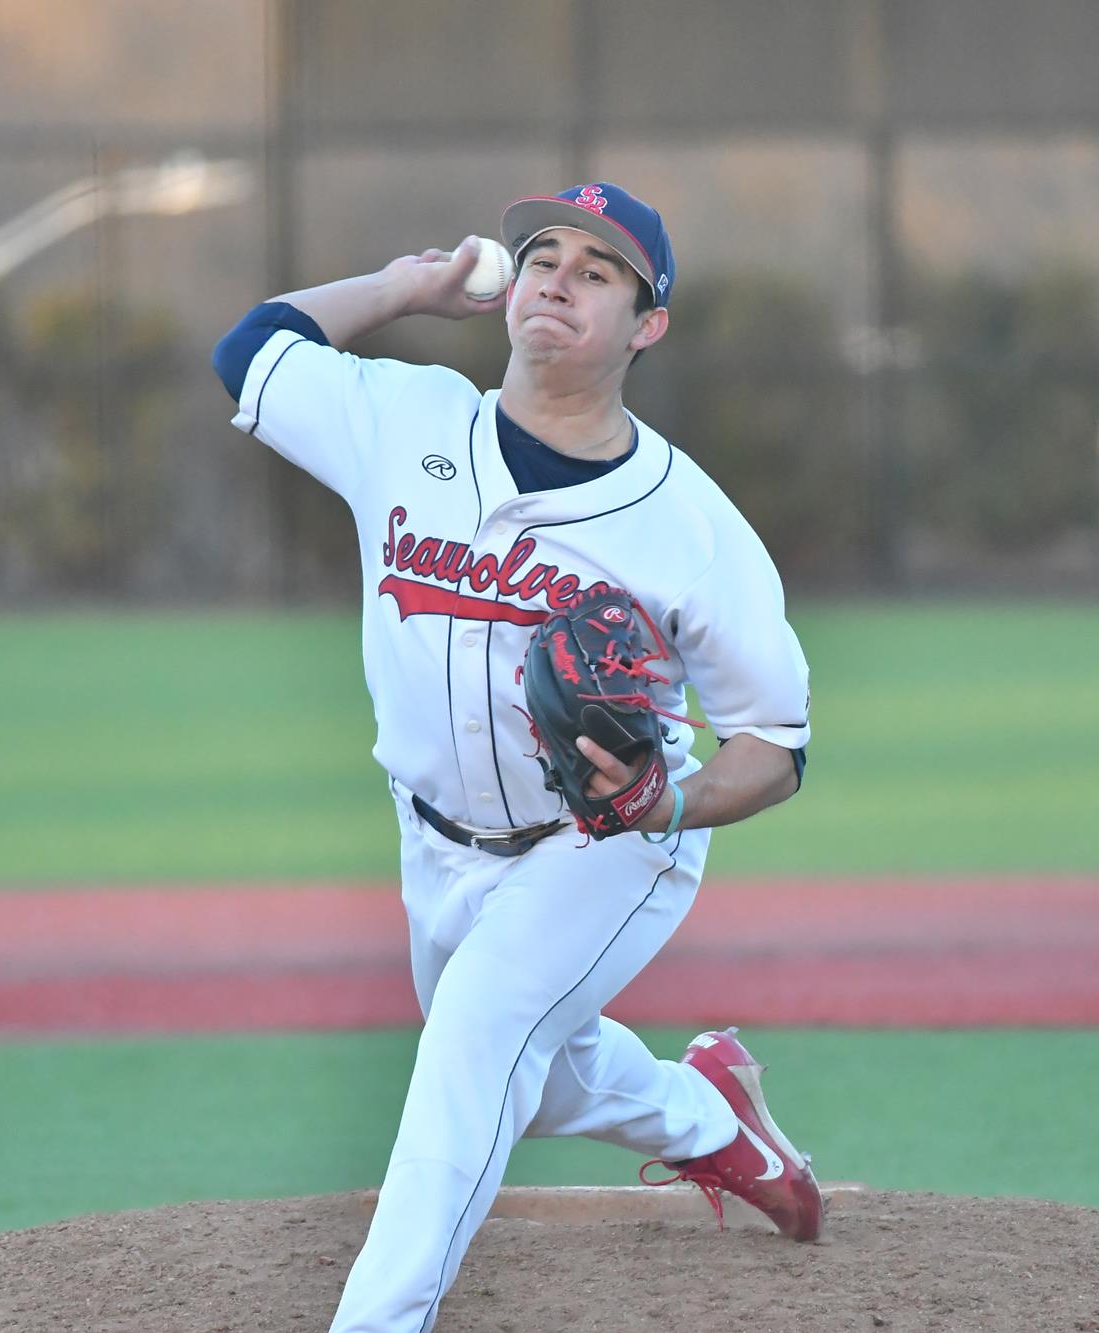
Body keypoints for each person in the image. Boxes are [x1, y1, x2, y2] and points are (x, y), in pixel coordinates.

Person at [212, 182, 819, 1333]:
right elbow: (251, 353)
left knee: (473, 1049)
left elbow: (775, 748)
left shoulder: (689, 524)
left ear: (648, 325)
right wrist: (399, 290)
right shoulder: (405, 419)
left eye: (599, 271)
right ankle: (712, 1119)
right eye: (544, 255)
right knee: (541, 1073)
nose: (557, 279)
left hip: (602, 847)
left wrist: (666, 803)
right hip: (431, 839)